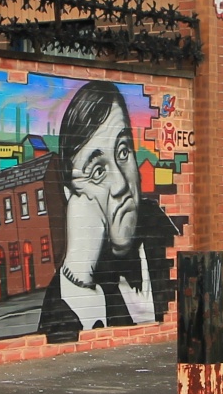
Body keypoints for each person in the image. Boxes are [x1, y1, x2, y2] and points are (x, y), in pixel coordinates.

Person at [37, 80, 176, 342]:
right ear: (72, 198)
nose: (121, 184)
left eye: (123, 152)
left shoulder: (161, 228)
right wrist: (78, 276)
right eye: (98, 171)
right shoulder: (62, 298)